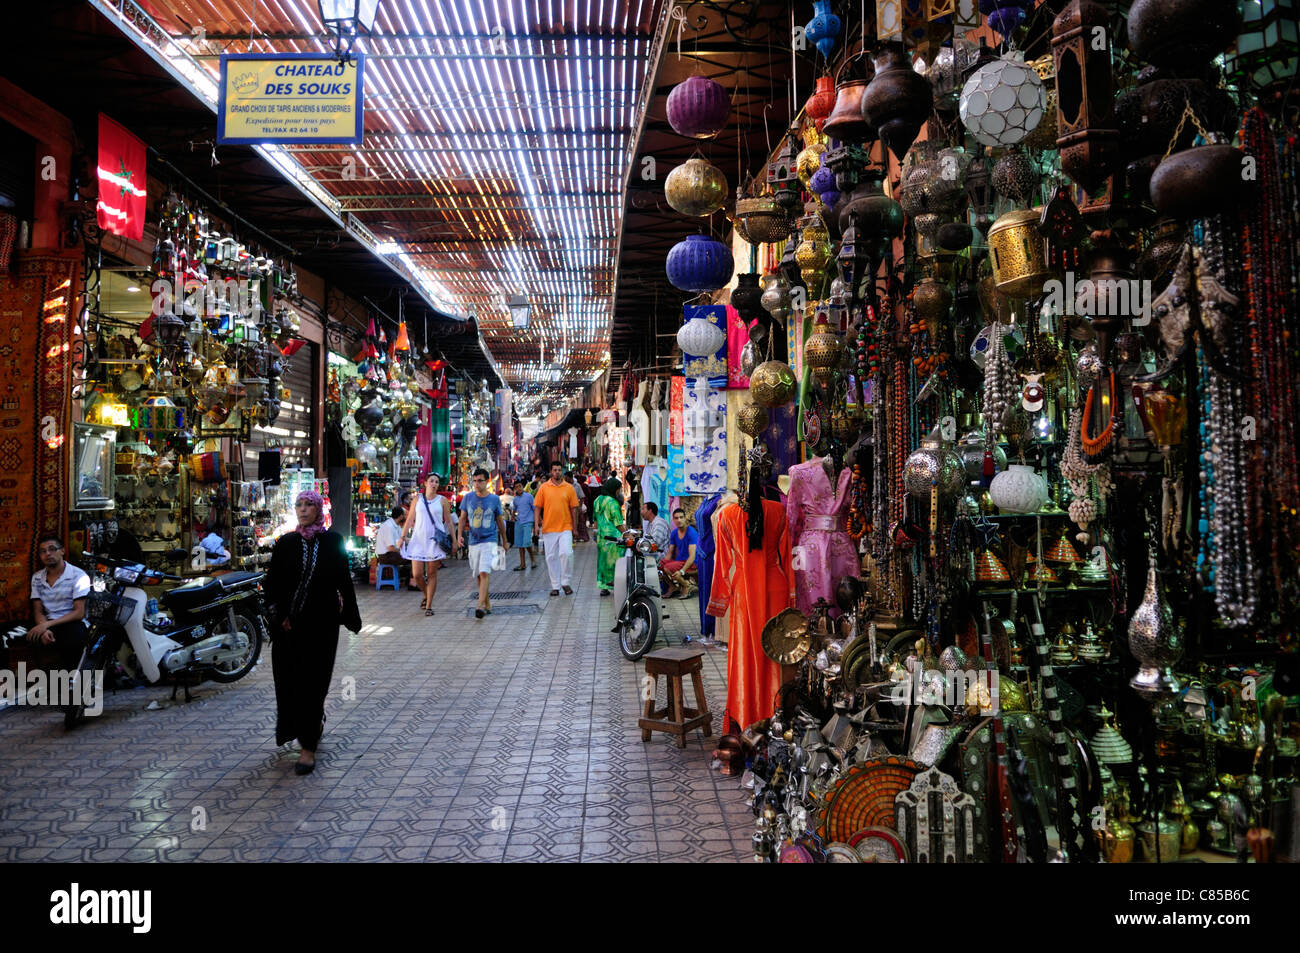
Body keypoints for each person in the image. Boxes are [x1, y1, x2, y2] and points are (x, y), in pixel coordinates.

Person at [266, 491, 361, 775]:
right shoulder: (285, 543)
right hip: (289, 628)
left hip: (321, 626)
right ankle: (309, 723)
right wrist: (279, 616)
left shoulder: (334, 541)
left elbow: (343, 580)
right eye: (299, 504)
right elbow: (273, 585)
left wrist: (351, 616)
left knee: (314, 682)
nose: (303, 509)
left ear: (319, 509)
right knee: (290, 682)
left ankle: (308, 748)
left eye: (309, 505)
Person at [26, 535, 90, 670]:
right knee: (28, 637)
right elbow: (38, 610)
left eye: (52, 549)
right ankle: (45, 680)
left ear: (62, 551)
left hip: (71, 622)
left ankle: (72, 681)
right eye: (43, 551)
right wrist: (43, 629)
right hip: (47, 622)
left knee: (74, 639)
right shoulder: (37, 577)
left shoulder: (78, 576)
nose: (47, 554)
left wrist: (46, 625)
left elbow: (79, 612)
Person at [401, 472, 459, 616]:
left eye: (437, 482)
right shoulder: (417, 499)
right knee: (417, 574)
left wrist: (455, 540)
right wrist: (402, 537)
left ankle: (429, 606)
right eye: (431, 481)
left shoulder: (443, 500)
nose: (434, 484)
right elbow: (409, 520)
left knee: (432, 573)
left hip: (435, 541)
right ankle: (427, 595)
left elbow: (449, 522)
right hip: (418, 540)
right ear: (426, 483)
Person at [459, 467, 507, 619]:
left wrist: (505, 541)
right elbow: (462, 518)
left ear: (487, 482)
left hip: (490, 540)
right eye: (475, 481)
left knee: (484, 571)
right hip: (473, 541)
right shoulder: (468, 498)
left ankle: (479, 606)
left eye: (480, 481)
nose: (477, 484)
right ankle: (487, 602)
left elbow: (500, 521)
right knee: (478, 574)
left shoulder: (494, 499)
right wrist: (459, 535)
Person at [534, 461, 580, 597]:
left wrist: (575, 527)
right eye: (554, 470)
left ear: (562, 472)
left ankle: (565, 582)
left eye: (559, 470)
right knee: (551, 557)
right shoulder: (543, 488)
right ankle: (555, 586)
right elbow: (537, 508)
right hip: (549, 528)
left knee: (566, 553)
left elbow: (574, 509)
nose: (557, 472)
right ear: (551, 472)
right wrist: (536, 525)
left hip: (565, 527)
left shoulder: (569, 488)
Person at [593, 478, 626, 596]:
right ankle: (616, 584)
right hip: (614, 538)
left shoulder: (597, 500)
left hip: (602, 537)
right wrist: (627, 535)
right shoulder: (613, 502)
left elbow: (595, 519)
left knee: (602, 562)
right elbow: (618, 523)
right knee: (615, 562)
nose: (619, 492)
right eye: (618, 489)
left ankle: (604, 587)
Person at [660, 507, 700, 600]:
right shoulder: (674, 532)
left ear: (685, 518)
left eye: (681, 517)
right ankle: (673, 587)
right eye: (676, 518)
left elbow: (692, 556)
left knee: (668, 568)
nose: (679, 520)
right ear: (673, 520)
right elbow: (670, 552)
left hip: (693, 563)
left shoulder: (691, 533)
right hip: (680, 561)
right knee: (660, 566)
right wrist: (662, 564)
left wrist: (682, 571)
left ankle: (686, 584)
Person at [511, 479, 538, 570]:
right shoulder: (515, 499)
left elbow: (535, 508)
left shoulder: (529, 496)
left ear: (522, 486)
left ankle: (533, 560)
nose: (518, 488)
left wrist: (537, 522)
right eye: (516, 487)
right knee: (519, 544)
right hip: (518, 522)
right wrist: (513, 516)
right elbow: (515, 509)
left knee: (526, 542)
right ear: (514, 489)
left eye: (520, 486)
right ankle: (522, 564)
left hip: (528, 521)